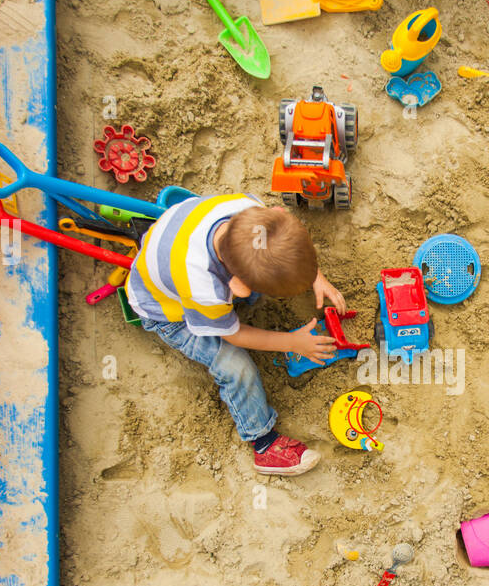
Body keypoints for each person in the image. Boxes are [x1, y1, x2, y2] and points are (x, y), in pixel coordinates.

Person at [124, 194, 344, 475]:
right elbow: (234, 335)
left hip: (177, 240)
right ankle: (263, 442)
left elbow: (285, 241)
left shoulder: (251, 212)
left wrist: (315, 276)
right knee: (235, 366)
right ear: (238, 287)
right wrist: (291, 342)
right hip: (169, 314)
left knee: (271, 266)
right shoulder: (204, 288)